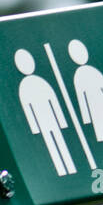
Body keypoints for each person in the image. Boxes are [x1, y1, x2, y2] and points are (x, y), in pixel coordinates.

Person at [14, 48, 76, 176]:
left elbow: (54, 103)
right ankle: (64, 168)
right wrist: (35, 128)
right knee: (52, 144)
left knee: (58, 141)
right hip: (44, 123)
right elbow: (29, 110)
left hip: (51, 121)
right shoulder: (26, 87)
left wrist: (61, 121)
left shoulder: (37, 84)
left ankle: (68, 167)